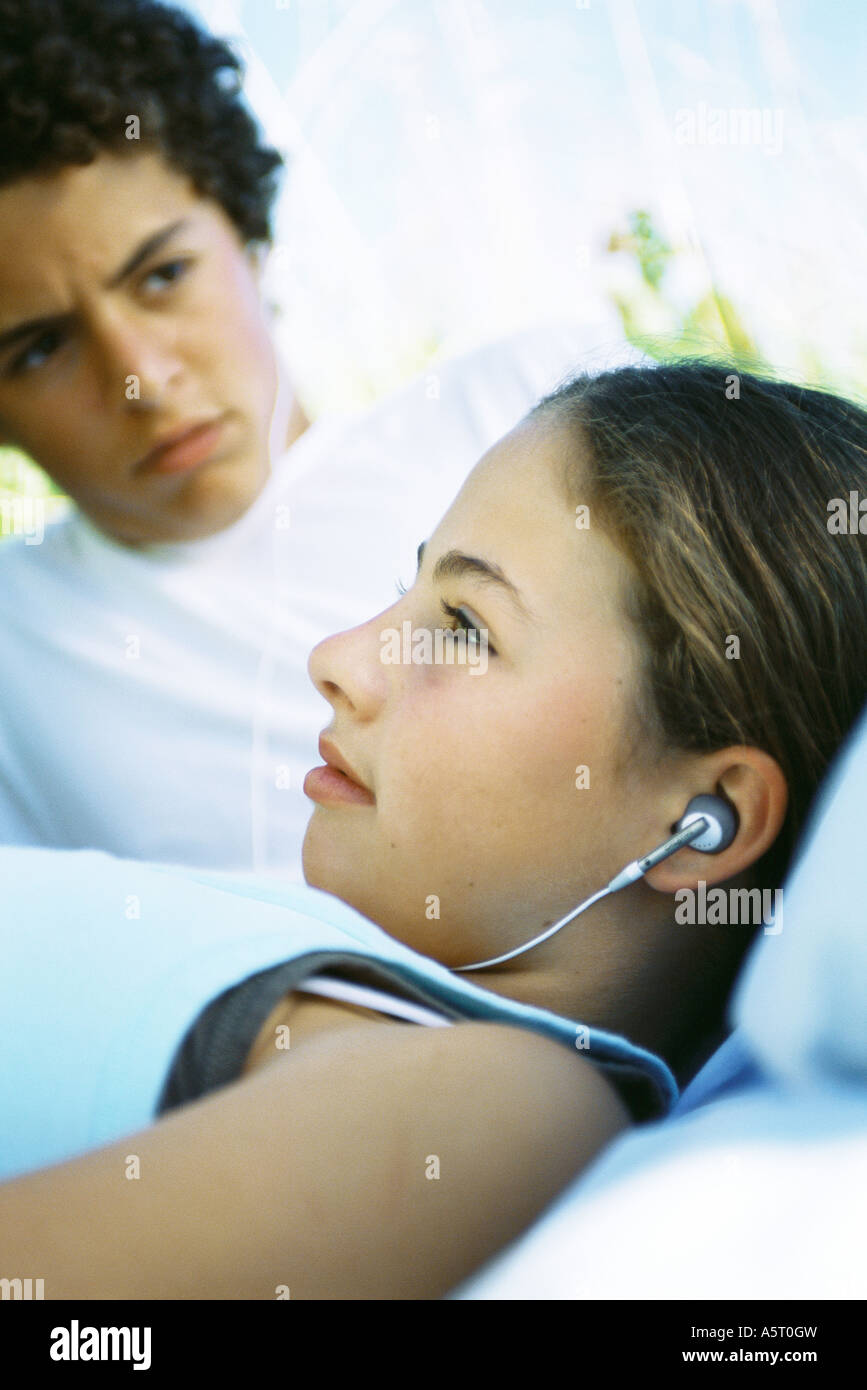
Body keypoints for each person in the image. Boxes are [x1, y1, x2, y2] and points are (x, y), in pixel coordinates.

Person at [1, 360, 865, 1300]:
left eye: (461, 627)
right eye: (407, 596)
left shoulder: (510, 1113)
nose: (335, 659)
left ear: (706, 823)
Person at [0, 0, 621, 874]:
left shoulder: (534, 404)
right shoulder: (14, 646)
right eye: (40, 348)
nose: (141, 378)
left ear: (247, 239)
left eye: (164, 275)